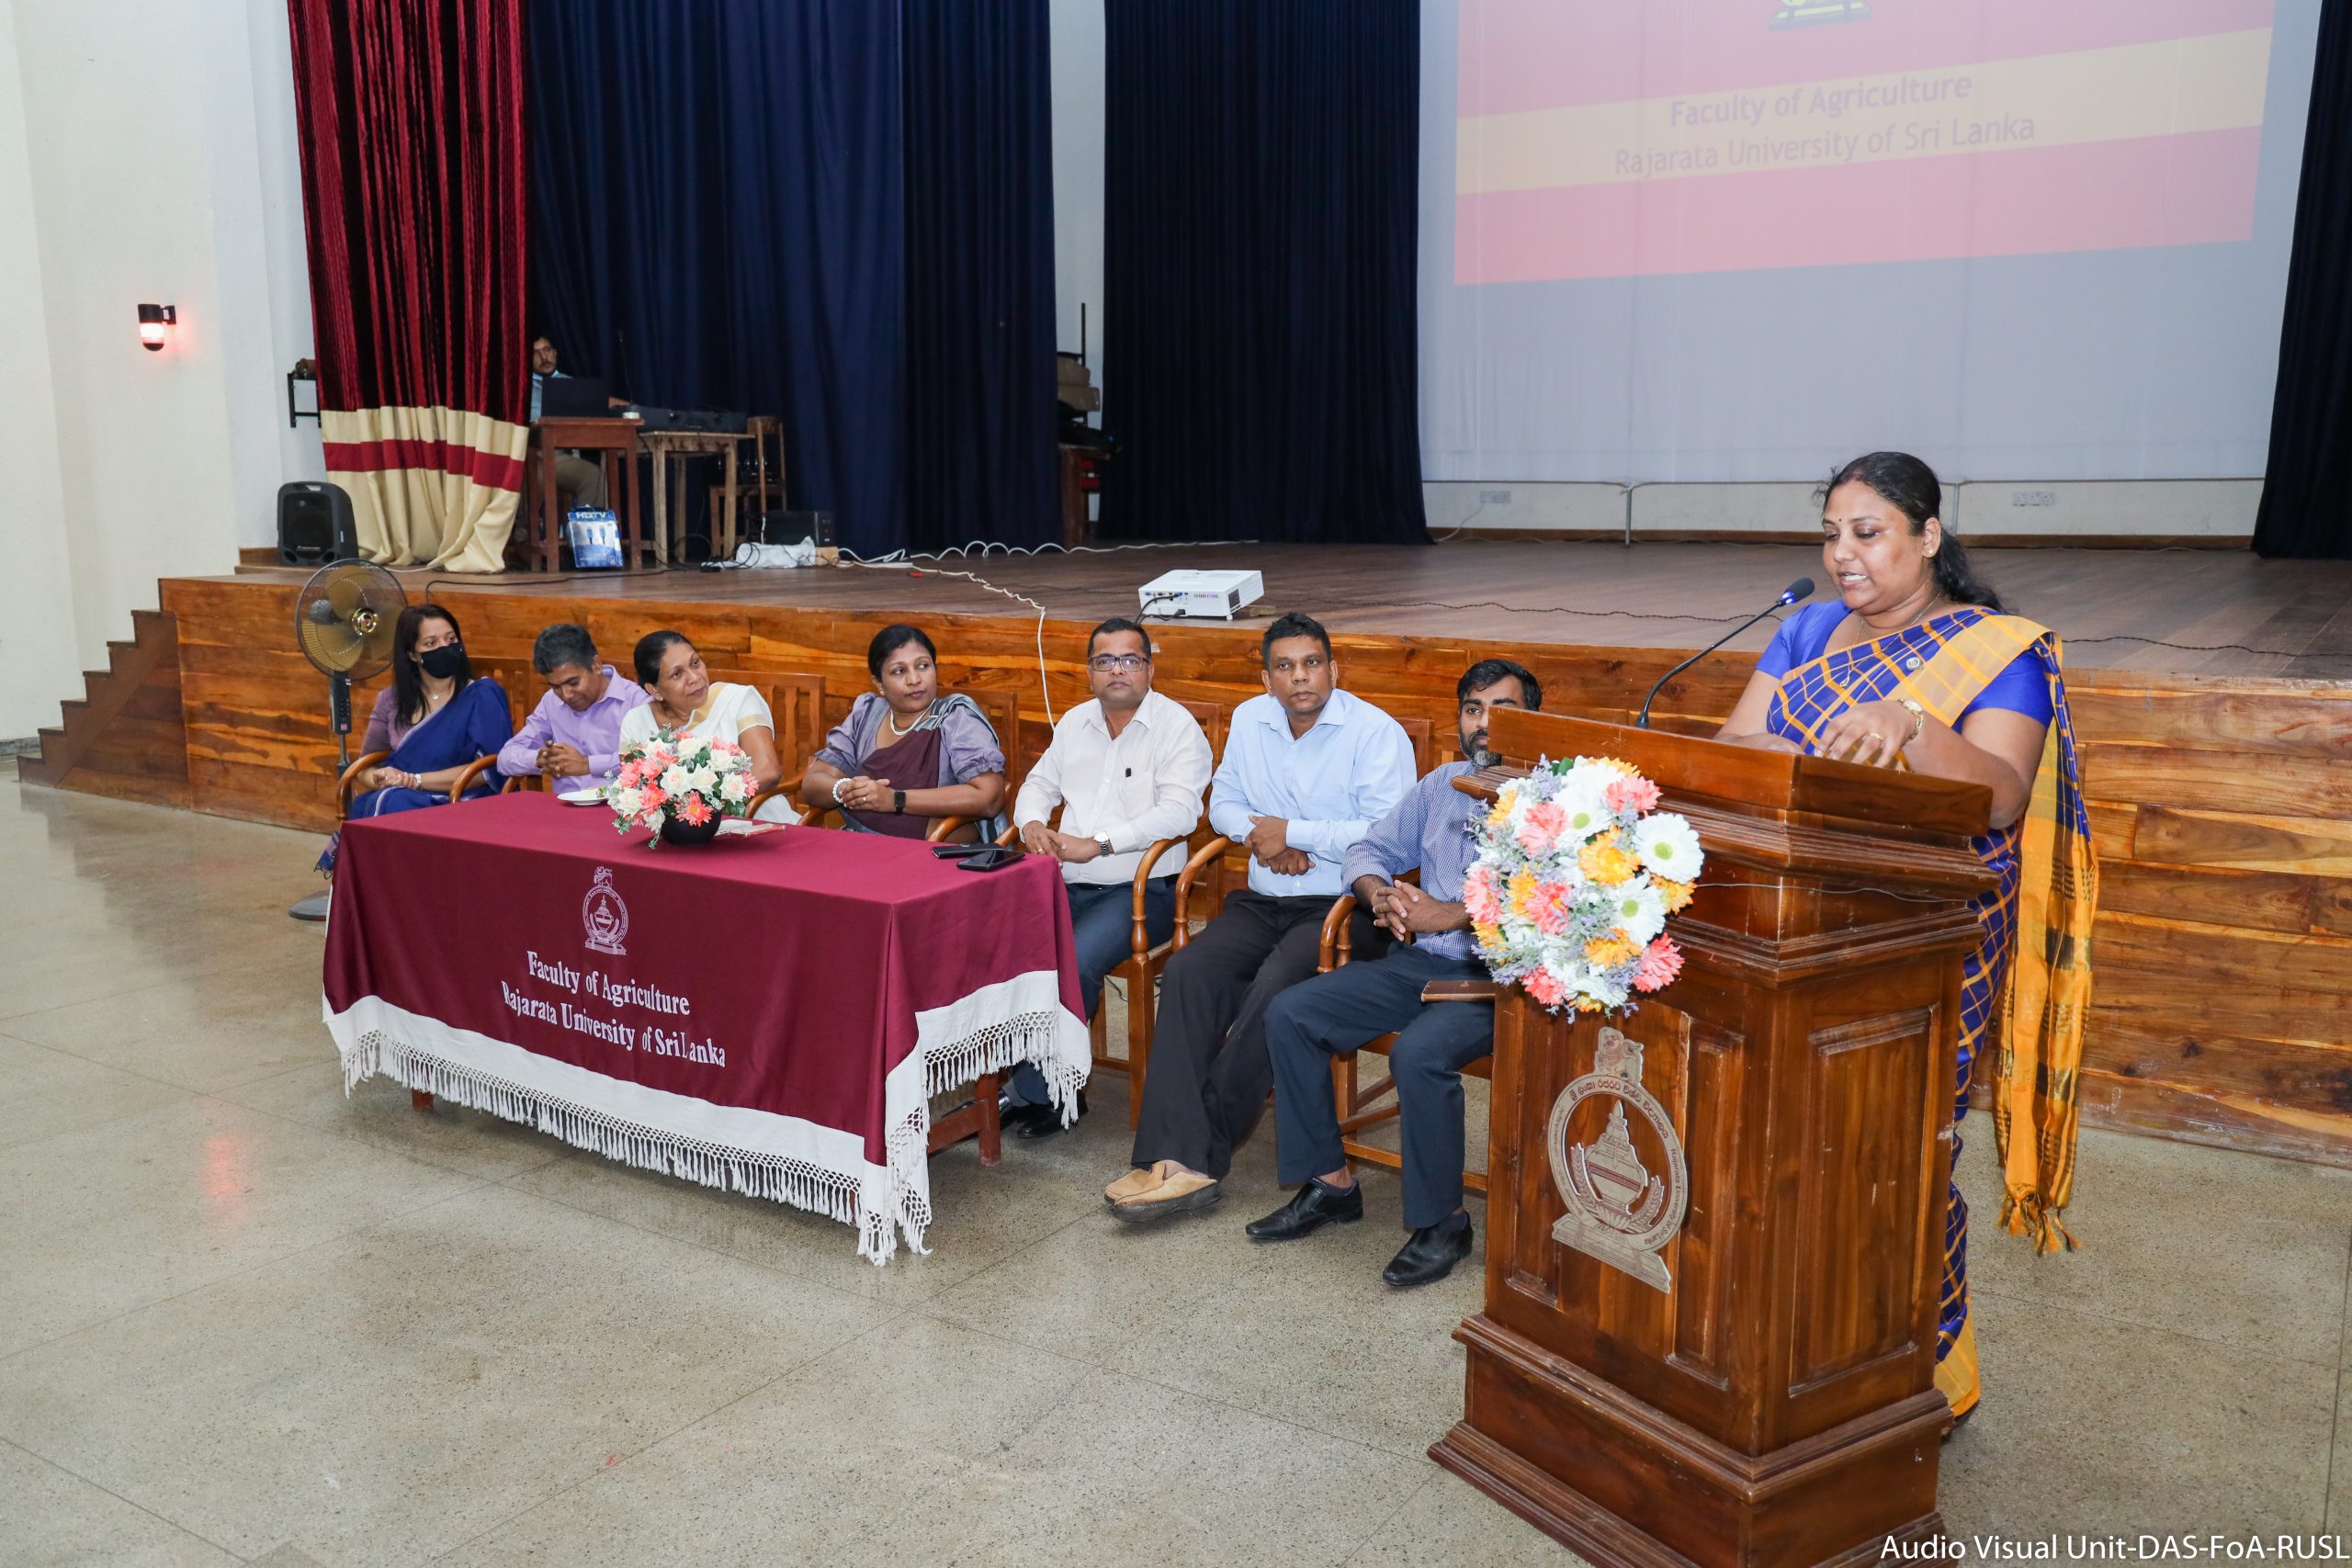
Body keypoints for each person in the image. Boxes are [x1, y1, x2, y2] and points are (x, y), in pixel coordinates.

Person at [1713, 450, 2098, 1421]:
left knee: (1894, 1149)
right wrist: (1798, 746)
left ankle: (1923, 1368)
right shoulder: (1805, 628)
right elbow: (1730, 748)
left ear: (1928, 537)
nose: (1842, 554)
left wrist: (1914, 725)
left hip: (1927, 934)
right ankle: (1789, 1353)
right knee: (1778, 1145)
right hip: (1794, 916)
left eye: (1867, 532)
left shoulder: (1997, 650)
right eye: (1831, 534)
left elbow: (2001, 796)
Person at [1106, 612, 1417, 1223]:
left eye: (1311, 663)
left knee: (1275, 987)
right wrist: (1263, 837)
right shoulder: (1252, 719)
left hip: (1342, 909)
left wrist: (1294, 832)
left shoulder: (1375, 733)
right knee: (1191, 969)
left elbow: (1388, 833)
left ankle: (1197, 1155)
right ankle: (1166, 1148)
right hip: (1264, 896)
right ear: (1267, 677)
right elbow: (1222, 803)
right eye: (1285, 667)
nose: (1300, 677)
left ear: (1334, 669)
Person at [1245, 660, 1542, 1286]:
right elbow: (1368, 848)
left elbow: (1551, 903)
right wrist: (1377, 892)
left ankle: (1444, 1223)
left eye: (1503, 709)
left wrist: (1451, 913)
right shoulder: (1441, 785)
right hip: (1418, 962)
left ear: (1534, 720)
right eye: (1473, 708)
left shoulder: (1556, 802)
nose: (1484, 723)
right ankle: (1331, 1183)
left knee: (1418, 1054)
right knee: (1291, 1012)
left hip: (1500, 980)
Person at [1001, 617, 1213, 1138]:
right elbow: (1036, 785)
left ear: (1149, 669)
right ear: (1090, 672)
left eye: (1129, 660)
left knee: (1073, 959)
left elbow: (1180, 813)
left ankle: (1047, 1091)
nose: (1117, 670)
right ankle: (1034, 1081)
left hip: (1144, 891)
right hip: (1067, 881)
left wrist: (1099, 844)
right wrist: (1031, 824)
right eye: (1104, 661)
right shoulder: (1076, 722)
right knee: (1007, 948)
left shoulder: (1177, 727)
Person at [313, 604, 512, 875]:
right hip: (402, 795)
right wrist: (382, 778)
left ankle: (391, 887)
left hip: (463, 798)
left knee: (390, 803)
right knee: (381, 800)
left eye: (451, 639)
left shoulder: (482, 695)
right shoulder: (391, 700)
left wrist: (414, 780)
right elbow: (365, 766)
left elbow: (490, 770)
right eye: (431, 643)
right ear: (412, 654)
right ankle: (372, 891)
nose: (444, 647)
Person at [800, 626, 1009, 841]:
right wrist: (846, 789)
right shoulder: (866, 715)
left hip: (936, 853)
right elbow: (812, 784)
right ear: (879, 683)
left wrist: (895, 800)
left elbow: (989, 797)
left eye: (923, 666)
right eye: (899, 671)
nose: (914, 679)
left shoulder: (956, 718)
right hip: (862, 844)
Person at [616, 631, 789, 819]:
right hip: (674, 830)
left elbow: (767, 771)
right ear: (654, 689)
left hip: (757, 820)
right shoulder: (637, 721)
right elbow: (635, 788)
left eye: (695, 663)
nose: (694, 677)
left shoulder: (736, 699)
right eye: (677, 674)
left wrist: (701, 809)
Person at [495, 623, 650, 792]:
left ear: (596, 665)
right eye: (556, 687)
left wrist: (587, 765)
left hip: (621, 806)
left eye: (573, 683)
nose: (566, 694)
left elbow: (653, 759)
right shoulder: (551, 702)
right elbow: (505, 758)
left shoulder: (637, 702)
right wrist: (542, 759)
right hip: (562, 807)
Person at [529, 334, 607, 511]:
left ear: (555, 353)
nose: (544, 357)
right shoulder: (520, 387)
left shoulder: (571, 385)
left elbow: (602, 403)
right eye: (536, 353)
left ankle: (585, 527)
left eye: (547, 350)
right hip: (533, 457)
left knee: (592, 476)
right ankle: (523, 526)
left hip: (559, 458)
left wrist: (632, 408)